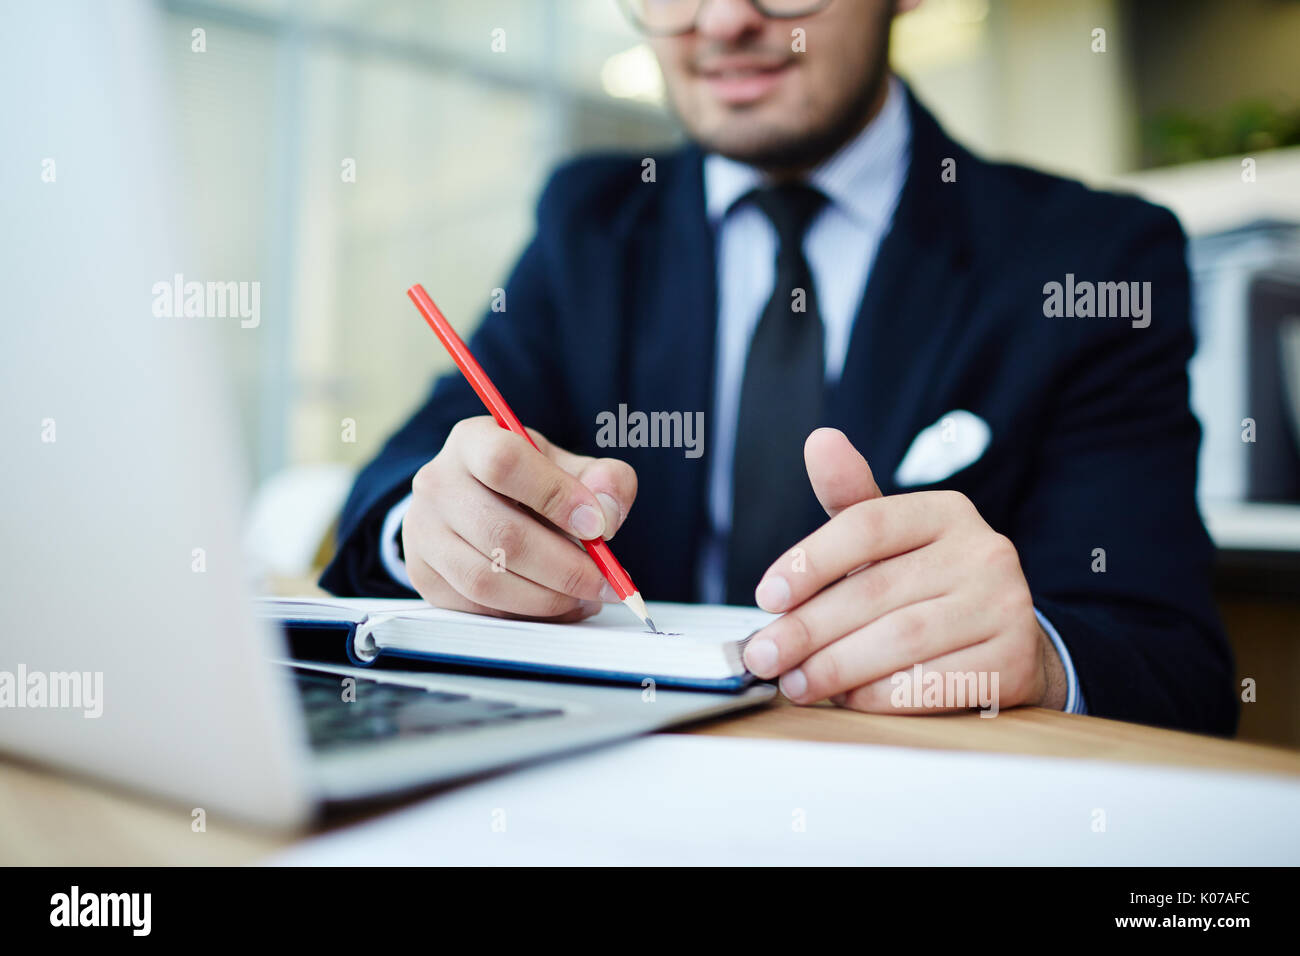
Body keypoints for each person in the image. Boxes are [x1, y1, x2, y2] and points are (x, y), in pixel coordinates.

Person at [322, 0, 1236, 734]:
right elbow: (405, 476)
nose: (723, 21)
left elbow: (1174, 663)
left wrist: (1038, 655)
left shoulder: (1092, 257)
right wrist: (438, 526)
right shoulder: (590, 224)